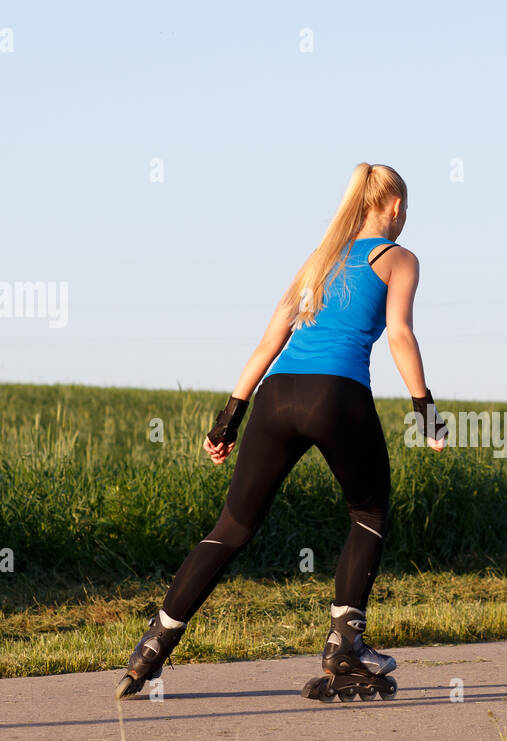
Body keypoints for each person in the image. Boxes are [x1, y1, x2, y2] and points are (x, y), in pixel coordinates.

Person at [115, 163, 447, 701]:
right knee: (370, 512)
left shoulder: (317, 261)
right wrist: (425, 410)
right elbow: (401, 336)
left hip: (275, 394)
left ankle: (153, 647)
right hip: (335, 395)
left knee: (231, 528)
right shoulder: (399, 259)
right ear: (393, 207)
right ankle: (345, 646)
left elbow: (269, 340)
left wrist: (229, 417)